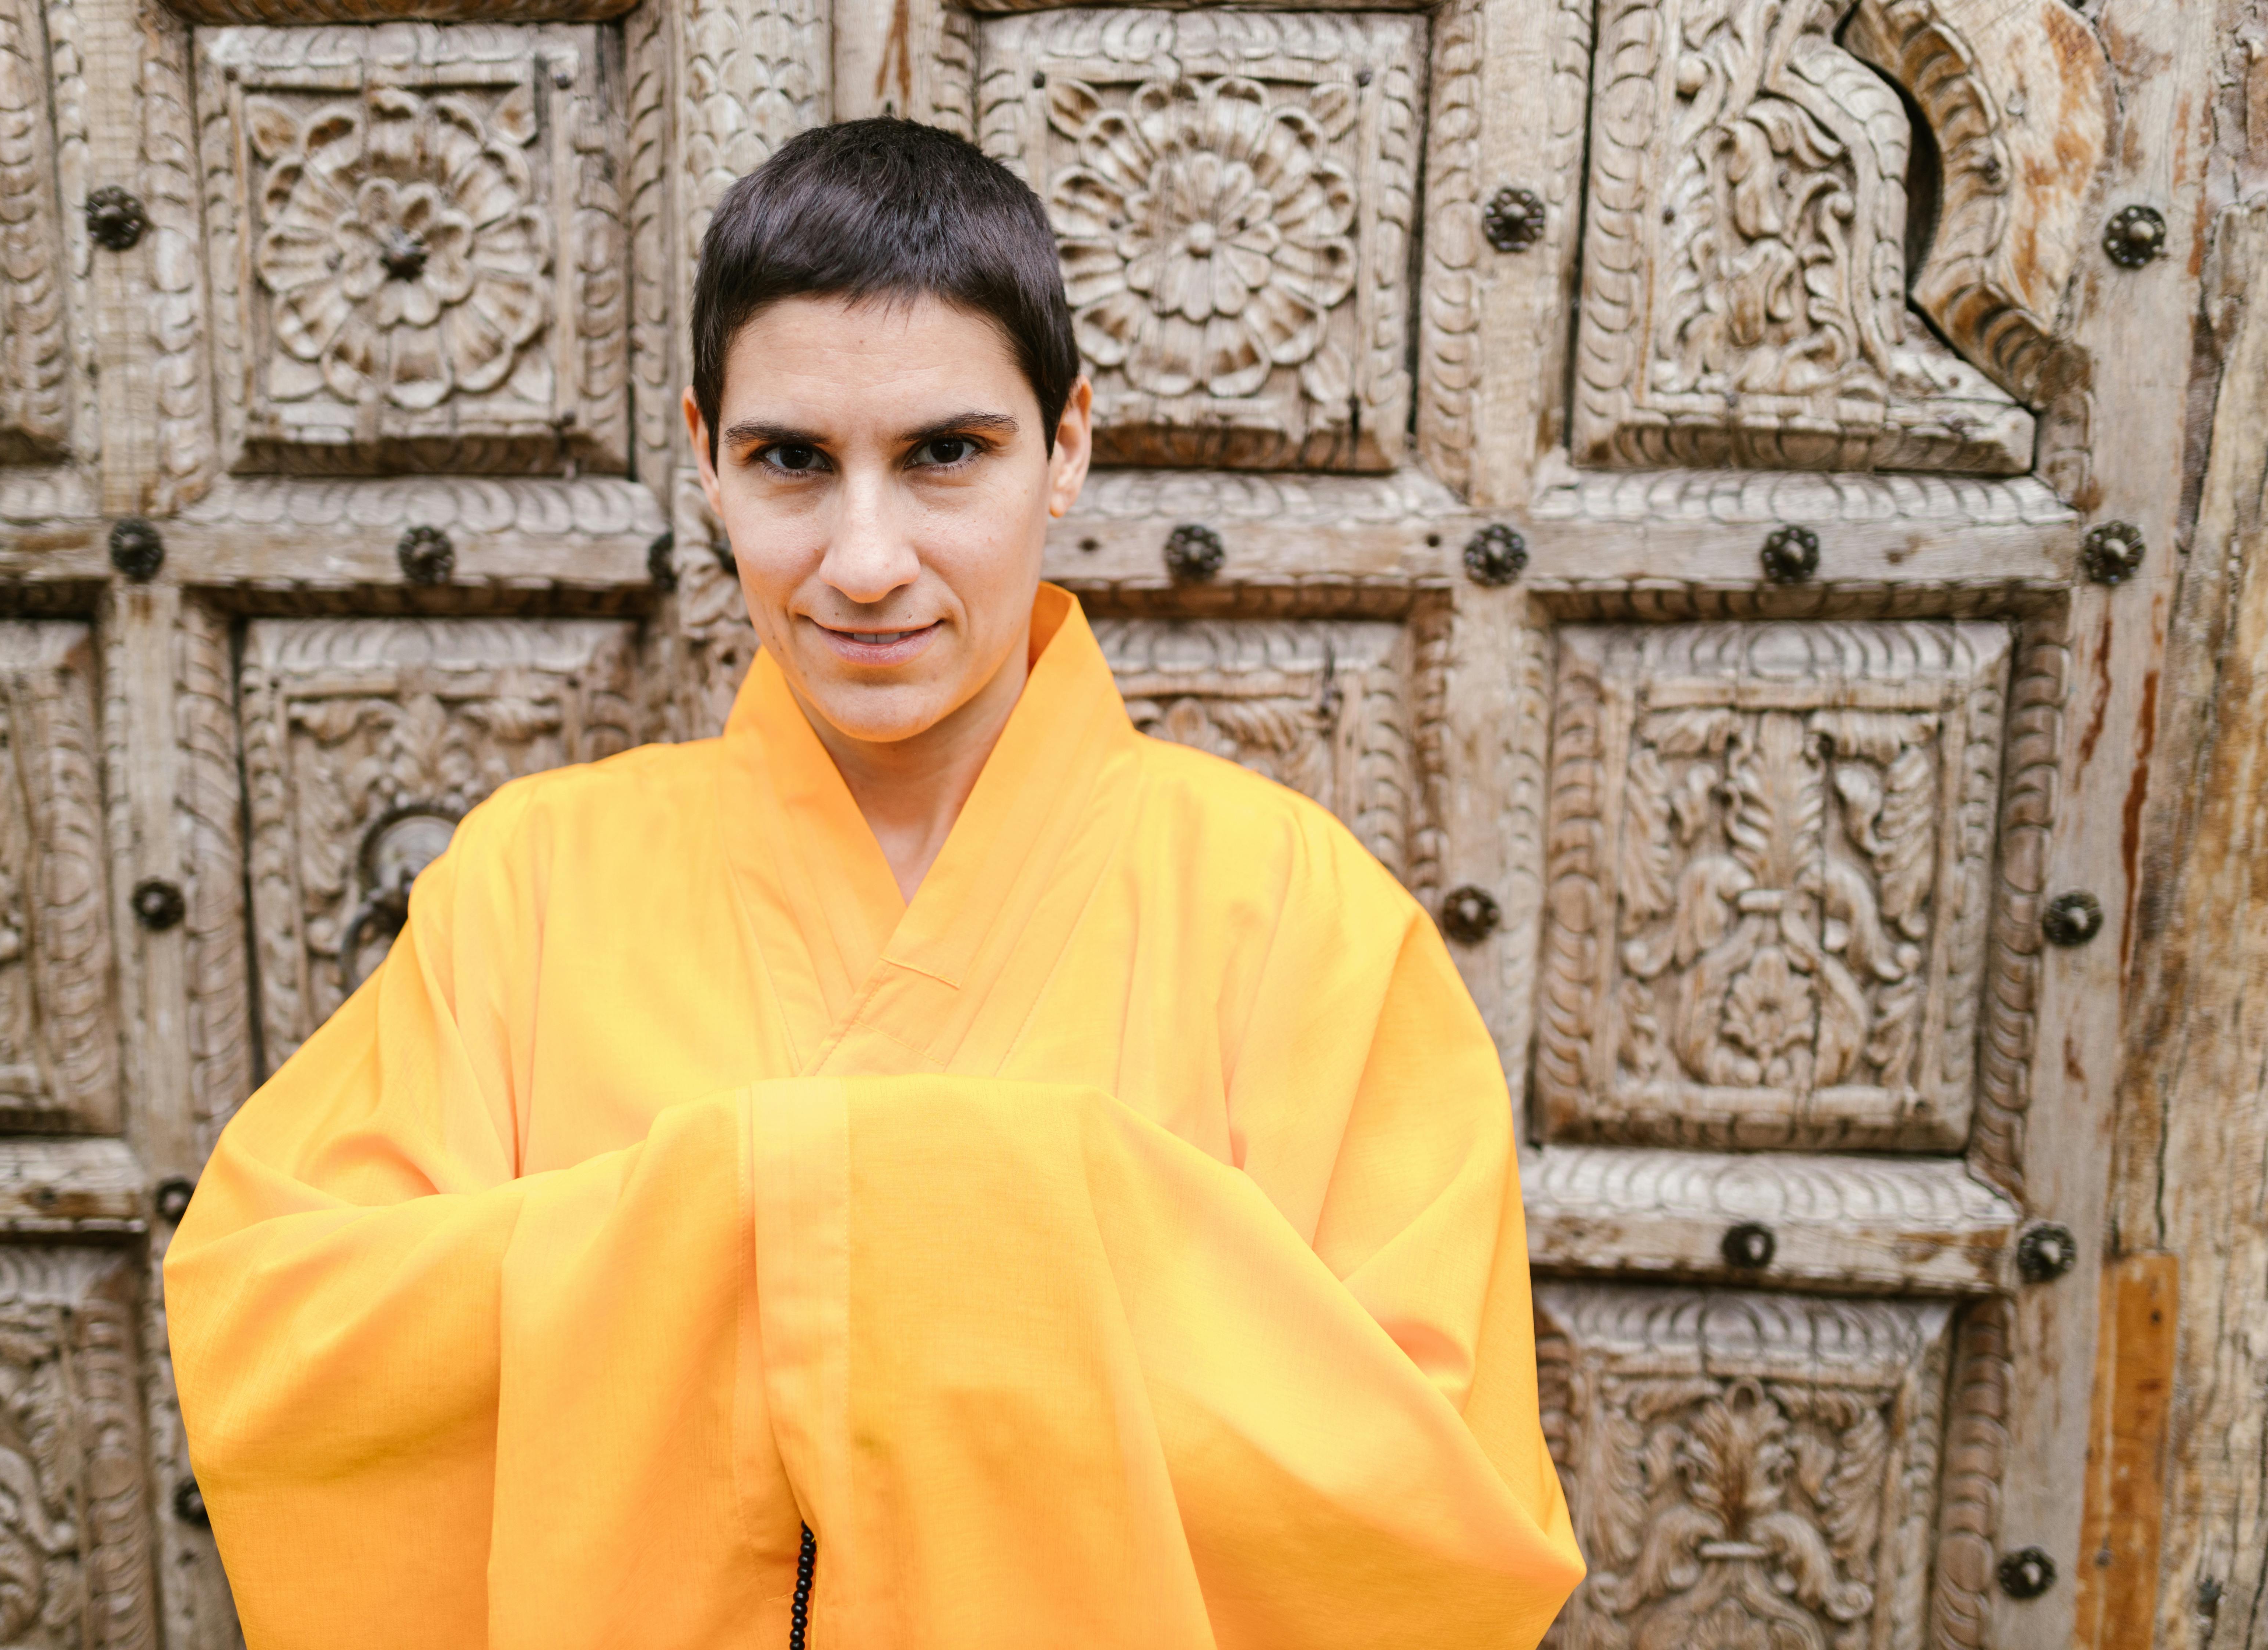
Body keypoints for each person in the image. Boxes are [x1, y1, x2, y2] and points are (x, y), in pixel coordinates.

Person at [164, 117, 1584, 1649]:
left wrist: (809, 1234)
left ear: (1071, 443)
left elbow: (1438, 1493)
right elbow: (290, 1336)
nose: (862, 559)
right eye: (792, 462)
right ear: (705, 456)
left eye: (944, 456)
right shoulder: (530, 880)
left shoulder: (1297, 913)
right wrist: (867, 1217)